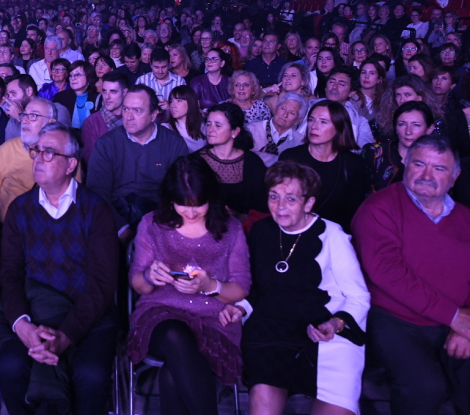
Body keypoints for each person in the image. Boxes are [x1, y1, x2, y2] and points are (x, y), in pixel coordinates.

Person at [352, 135, 470, 415]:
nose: (426, 175)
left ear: (454, 176)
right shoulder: (378, 209)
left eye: (439, 168)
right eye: (419, 164)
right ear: (406, 165)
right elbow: (388, 274)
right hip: (397, 322)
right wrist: (456, 317)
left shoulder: (466, 219)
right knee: (425, 388)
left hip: (459, 320)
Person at [0, 123, 119, 415]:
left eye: (49, 153)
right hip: (33, 312)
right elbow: (9, 275)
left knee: (91, 376)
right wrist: (22, 326)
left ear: (71, 164)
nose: (38, 158)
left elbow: (102, 284)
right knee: (11, 367)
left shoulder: (96, 209)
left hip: (87, 316)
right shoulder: (19, 208)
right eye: (37, 151)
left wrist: (65, 336)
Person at [231, 161, 370, 415]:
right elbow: (257, 289)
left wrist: (336, 324)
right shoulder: (261, 231)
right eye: (274, 197)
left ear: (308, 203)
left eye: (291, 199)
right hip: (272, 331)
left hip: (325, 330)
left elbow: (359, 295)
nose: (280, 206)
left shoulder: (332, 235)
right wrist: (239, 308)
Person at [127, 155, 251, 415]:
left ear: (211, 198)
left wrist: (209, 285)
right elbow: (138, 284)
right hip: (160, 315)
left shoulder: (231, 230)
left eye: (199, 205)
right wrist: (150, 276)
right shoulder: (152, 224)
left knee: (173, 376)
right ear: (170, 200)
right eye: (183, 205)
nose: (192, 213)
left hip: (213, 319)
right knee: (175, 335)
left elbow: (240, 288)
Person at [88, 85, 189, 234]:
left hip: (160, 217)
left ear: (154, 115)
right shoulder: (106, 144)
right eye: (126, 109)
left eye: (137, 111)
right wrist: (120, 228)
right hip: (115, 214)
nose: (129, 116)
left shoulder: (173, 143)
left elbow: (182, 189)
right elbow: (97, 192)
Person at [280, 100, 369, 232]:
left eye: (323, 122)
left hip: (335, 237)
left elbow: (355, 214)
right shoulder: (290, 158)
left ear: (339, 127)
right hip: (294, 232)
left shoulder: (353, 164)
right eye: (311, 120)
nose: (314, 126)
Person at [0, 97, 64, 222]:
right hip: (6, 229)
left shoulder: (64, 155)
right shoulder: (7, 149)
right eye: (24, 115)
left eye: (33, 116)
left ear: (51, 123)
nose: (24, 120)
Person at [195, 102, 268, 218]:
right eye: (208, 124)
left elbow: (262, 205)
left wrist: (240, 217)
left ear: (235, 131)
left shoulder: (253, 164)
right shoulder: (195, 161)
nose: (210, 130)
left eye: (218, 125)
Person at [362, 101, 434, 194]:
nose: (408, 131)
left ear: (430, 129)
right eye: (402, 124)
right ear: (395, 127)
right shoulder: (374, 153)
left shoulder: (436, 160)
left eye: (416, 125)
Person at [248, 92, 308, 165]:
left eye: (292, 113)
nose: (285, 115)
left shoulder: (300, 142)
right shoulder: (251, 130)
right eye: (282, 109)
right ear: (276, 108)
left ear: (298, 120)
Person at [81, 70, 128, 161]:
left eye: (113, 92)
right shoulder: (91, 122)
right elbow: (92, 160)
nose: (107, 96)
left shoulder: (134, 119)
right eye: (105, 91)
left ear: (125, 92)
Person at [55, 60, 97, 129]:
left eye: (77, 75)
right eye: (71, 75)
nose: (73, 78)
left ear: (89, 78)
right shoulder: (60, 98)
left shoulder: (98, 98)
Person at [164, 85, 207, 153]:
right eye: (171, 101)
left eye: (179, 100)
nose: (173, 105)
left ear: (191, 103)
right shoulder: (166, 128)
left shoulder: (205, 127)